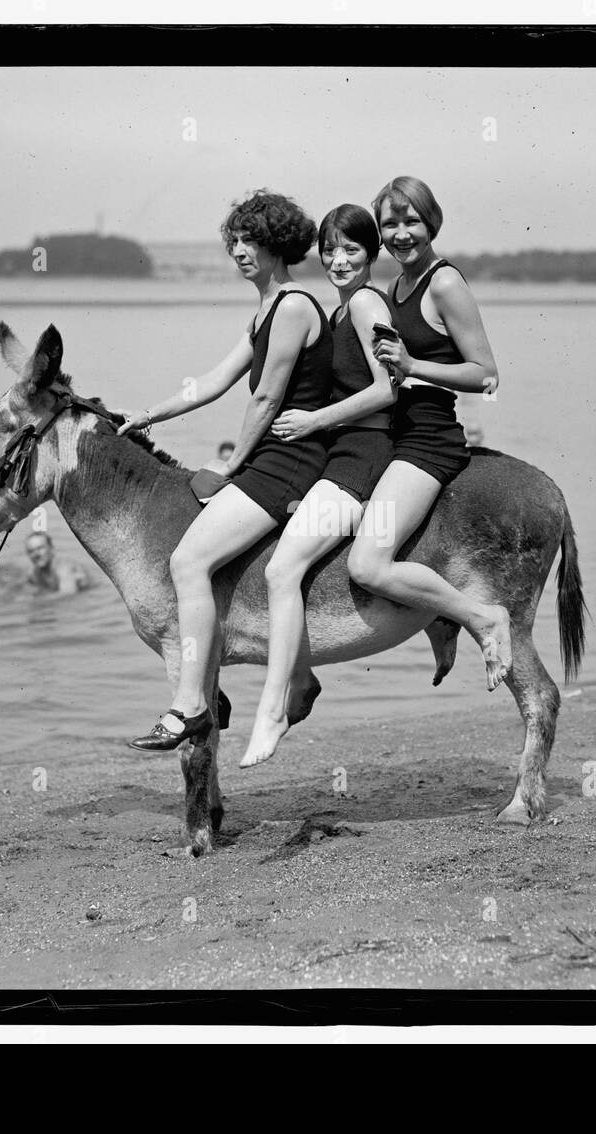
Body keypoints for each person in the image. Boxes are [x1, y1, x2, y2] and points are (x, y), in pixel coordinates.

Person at [114, 190, 334, 751]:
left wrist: (234, 463)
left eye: (250, 240)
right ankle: (256, 685)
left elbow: (264, 398)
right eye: (233, 240)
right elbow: (215, 381)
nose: (238, 250)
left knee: (187, 561)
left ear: (277, 244)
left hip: (290, 461)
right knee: (196, 558)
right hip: (272, 458)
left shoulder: (291, 306)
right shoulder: (265, 308)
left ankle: (190, 705)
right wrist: (148, 414)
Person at [239, 204, 398, 767]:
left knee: (283, 569)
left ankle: (274, 708)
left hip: (361, 457)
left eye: (351, 249)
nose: (338, 259)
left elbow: (387, 390)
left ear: (372, 255)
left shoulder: (364, 303)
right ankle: (300, 680)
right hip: (337, 455)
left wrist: (311, 422)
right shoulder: (336, 311)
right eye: (329, 249)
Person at [347, 176, 513, 691]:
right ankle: (438, 620)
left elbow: (486, 374)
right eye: (390, 224)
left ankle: (480, 618)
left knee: (368, 564)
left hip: (429, 440)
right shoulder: (394, 287)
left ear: (431, 222)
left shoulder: (443, 283)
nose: (401, 234)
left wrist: (414, 363)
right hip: (391, 437)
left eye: (411, 221)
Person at [24, 532, 89, 594]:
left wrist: (31, 602)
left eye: (40, 548)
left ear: (52, 548)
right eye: (31, 551)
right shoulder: (33, 574)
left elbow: (68, 596)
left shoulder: (64, 568)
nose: (36, 554)